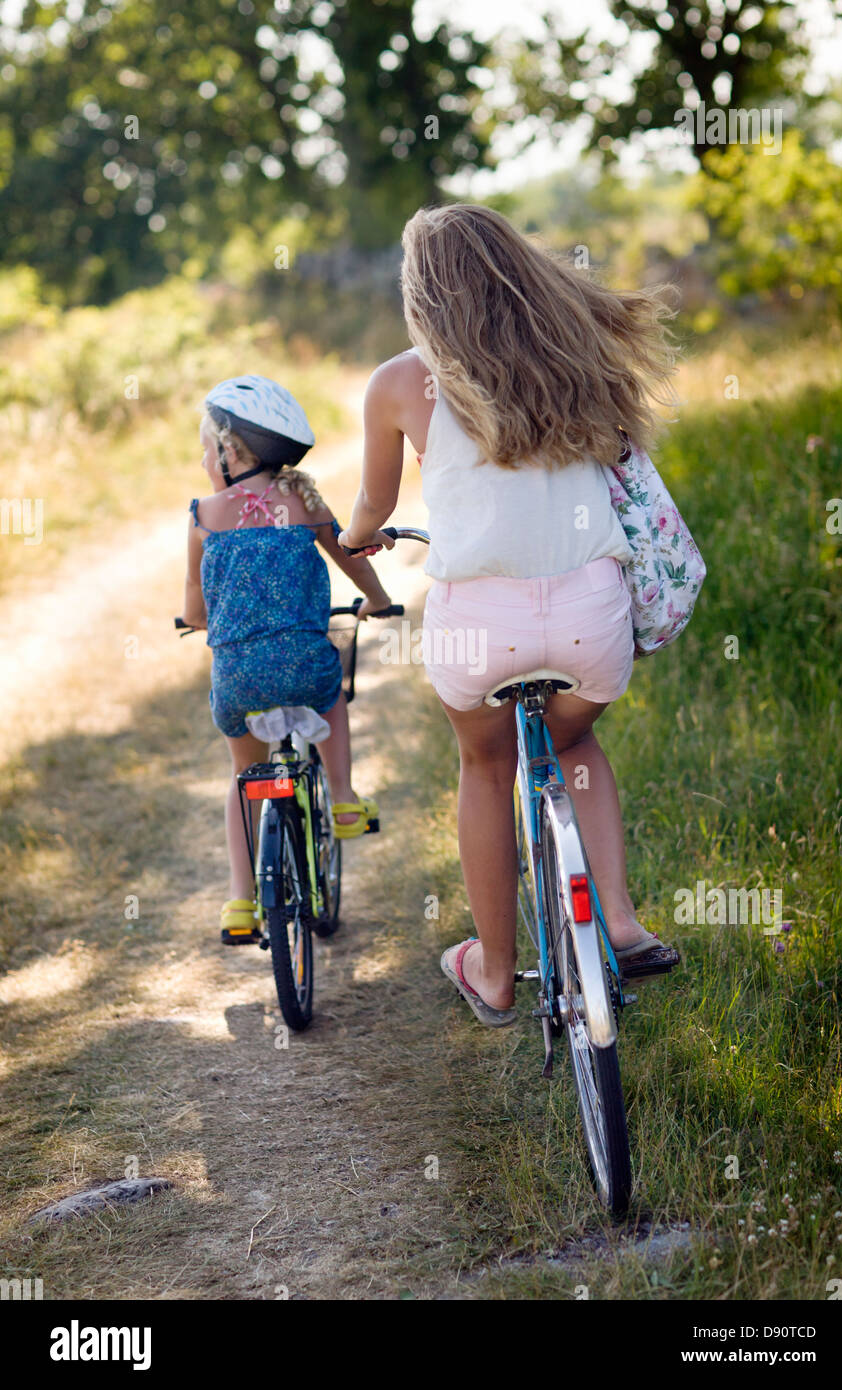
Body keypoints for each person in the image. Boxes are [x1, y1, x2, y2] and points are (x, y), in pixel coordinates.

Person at [338, 204, 679, 1026]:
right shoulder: (576, 357)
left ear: (424, 292)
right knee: (575, 741)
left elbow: (368, 509)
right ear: (519, 270)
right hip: (588, 613)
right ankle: (622, 922)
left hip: (477, 626)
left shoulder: (400, 383)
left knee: (487, 767)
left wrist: (361, 535)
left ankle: (494, 972)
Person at [182, 374, 392, 945]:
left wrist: (199, 623)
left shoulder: (204, 514)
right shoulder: (303, 499)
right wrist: (376, 601)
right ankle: (344, 800)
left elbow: (193, 609)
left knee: (243, 777)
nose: (204, 460)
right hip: (303, 663)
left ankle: (240, 900)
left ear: (229, 452)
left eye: (206, 449)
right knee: (331, 694)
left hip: (239, 681)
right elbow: (349, 555)